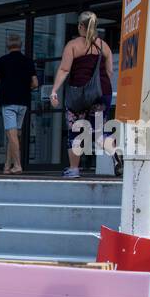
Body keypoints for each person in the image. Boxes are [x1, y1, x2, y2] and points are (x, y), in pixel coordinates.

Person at [49, 10, 114, 179]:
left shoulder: (73, 45)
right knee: (100, 132)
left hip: (79, 95)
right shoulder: (103, 45)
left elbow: (64, 69)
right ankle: (117, 154)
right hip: (101, 93)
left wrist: (54, 90)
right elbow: (109, 71)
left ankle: (74, 169)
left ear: (80, 26)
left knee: (75, 130)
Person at [0, 33, 38, 174]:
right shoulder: (28, 61)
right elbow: (35, 83)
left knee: (11, 135)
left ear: (7, 46)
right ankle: (7, 165)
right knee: (13, 134)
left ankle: (17, 165)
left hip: (9, 103)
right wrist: (25, 87)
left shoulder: (2, 61)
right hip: (23, 103)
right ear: (21, 45)